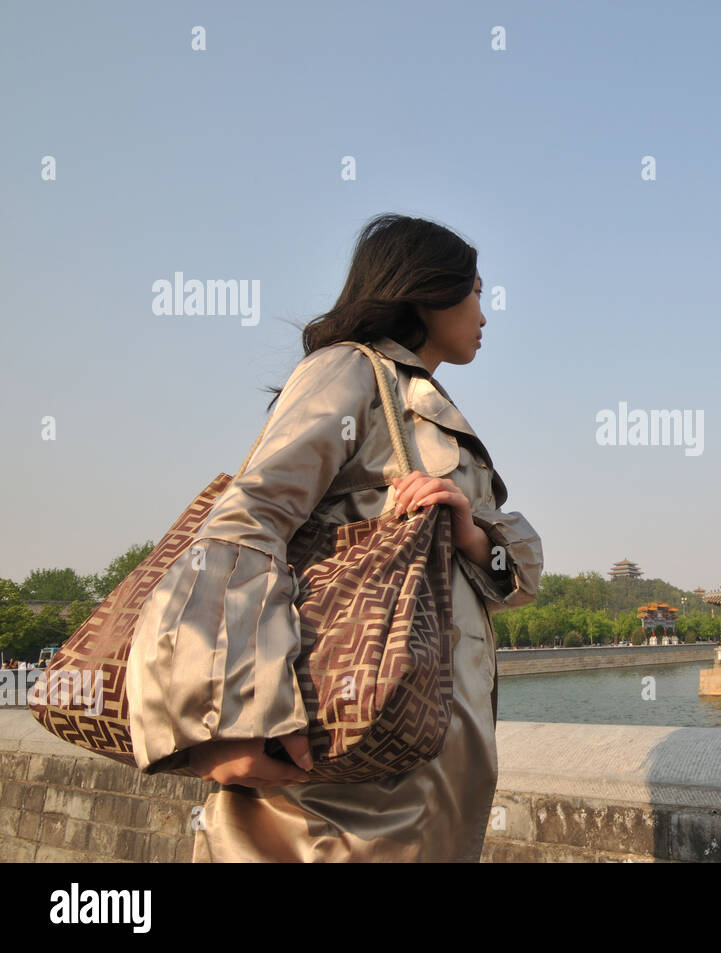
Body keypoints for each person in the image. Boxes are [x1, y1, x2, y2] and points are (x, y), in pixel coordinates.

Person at [125, 214, 543, 861]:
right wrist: (224, 719)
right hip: (333, 796)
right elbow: (250, 515)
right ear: (430, 291)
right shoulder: (349, 371)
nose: (485, 314)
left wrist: (470, 534)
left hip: (428, 771)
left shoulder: (430, 409)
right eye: (476, 291)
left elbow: (518, 581)